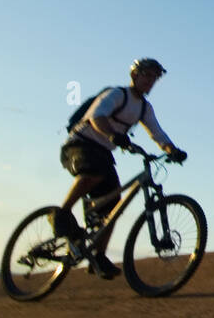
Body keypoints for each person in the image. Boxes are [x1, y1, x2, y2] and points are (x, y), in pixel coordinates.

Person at [54, 58, 187, 279]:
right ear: (135, 76)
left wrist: (172, 149)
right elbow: (97, 117)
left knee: (114, 205)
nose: (150, 81)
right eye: (146, 75)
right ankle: (62, 213)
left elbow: (157, 133)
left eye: (154, 78)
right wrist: (113, 135)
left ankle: (98, 256)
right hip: (79, 144)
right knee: (94, 172)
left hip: (103, 153)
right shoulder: (117, 95)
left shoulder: (144, 108)